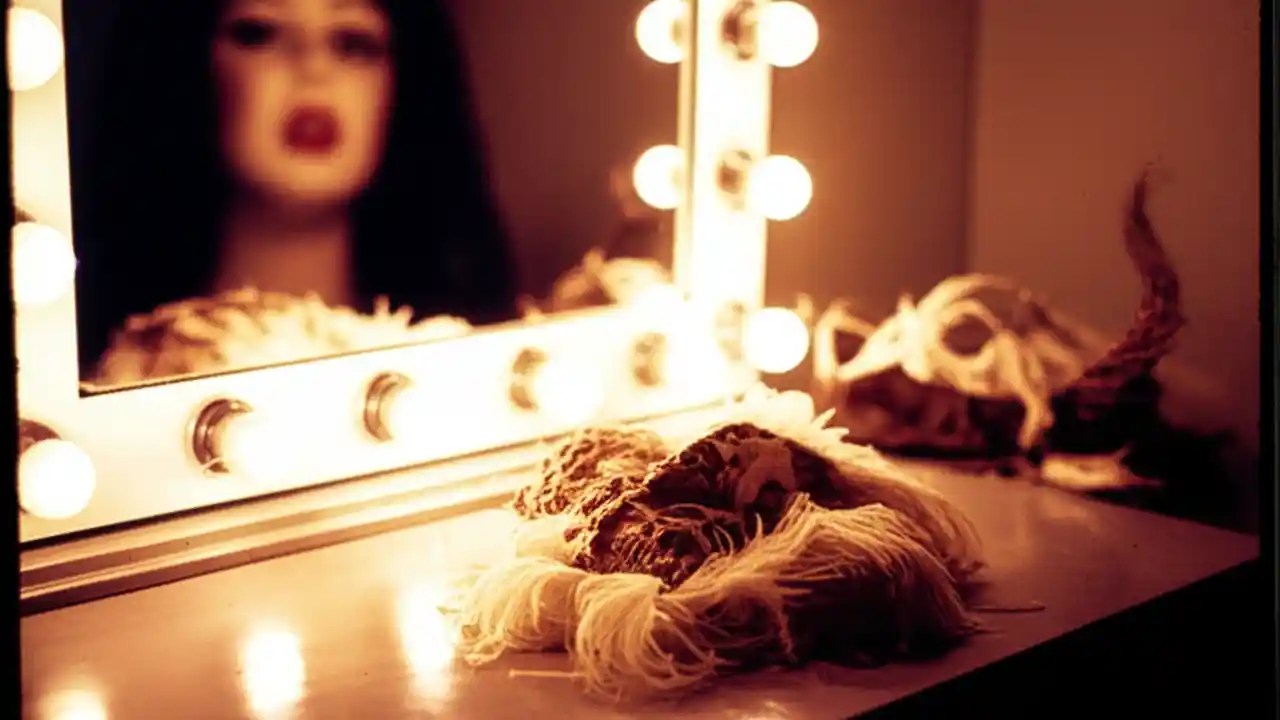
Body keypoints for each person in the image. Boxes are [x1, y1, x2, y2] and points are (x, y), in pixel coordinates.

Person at [71, 0, 517, 373]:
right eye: (258, 33)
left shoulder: (475, 372)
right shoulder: (106, 376)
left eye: (353, 42)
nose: (313, 67)